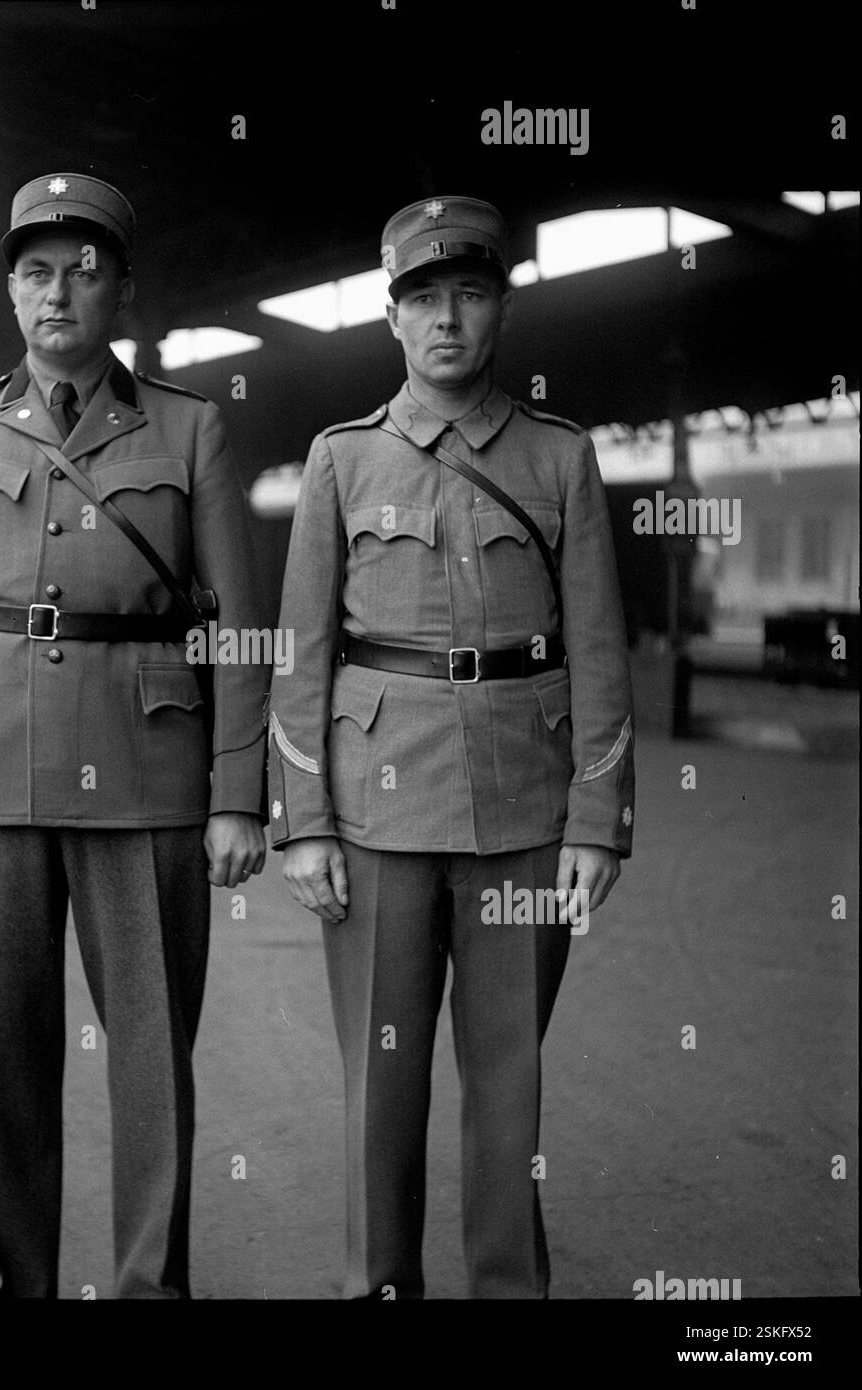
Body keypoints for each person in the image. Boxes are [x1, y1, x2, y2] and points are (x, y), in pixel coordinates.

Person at [0, 173, 269, 1299]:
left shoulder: (190, 429)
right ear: (9, 292)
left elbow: (237, 625)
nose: (57, 292)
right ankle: (18, 1284)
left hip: (145, 777)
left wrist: (238, 793)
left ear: (122, 287)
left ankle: (149, 1287)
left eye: (82, 269)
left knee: (150, 1061)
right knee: (0, 1051)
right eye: (34, 271)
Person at [268, 195, 634, 1298]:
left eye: (467, 294)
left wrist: (595, 821)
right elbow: (302, 654)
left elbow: (599, 647)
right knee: (379, 1091)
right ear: (390, 317)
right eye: (421, 298)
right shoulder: (340, 461)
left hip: (523, 814)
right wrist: (304, 824)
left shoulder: (558, 458)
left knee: (506, 1086)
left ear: (502, 308)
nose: (445, 320)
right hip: (376, 814)